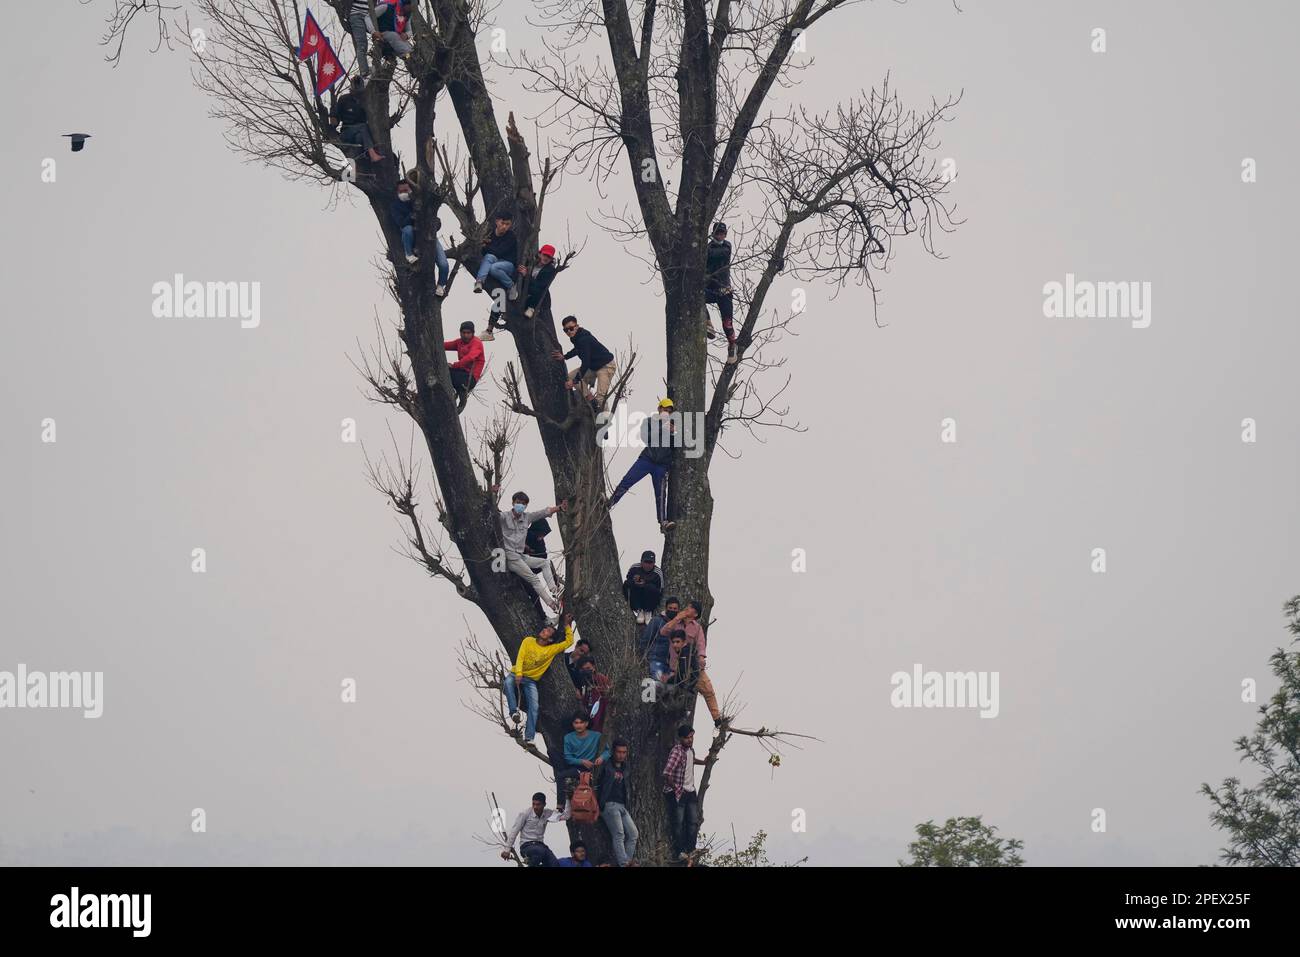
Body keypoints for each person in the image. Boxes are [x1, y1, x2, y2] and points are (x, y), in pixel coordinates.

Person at [608, 398, 677, 532]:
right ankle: (609, 503)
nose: (667, 413)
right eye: (665, 409)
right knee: (627, 480)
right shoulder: (649, 421)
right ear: (659, 409)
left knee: (660, 495)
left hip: (662, 465)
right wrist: (662, 428)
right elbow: (646, 438)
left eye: (669, 411)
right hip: (647, 459)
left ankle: (663, 522)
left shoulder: (672, 426)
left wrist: (673, 433)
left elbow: (676, 446)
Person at [504, 614, 575, 745]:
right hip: (516, 673)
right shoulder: (528, 641)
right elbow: (520, 657)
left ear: (550, 639)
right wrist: (518, 673)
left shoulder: (551, 649)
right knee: (507, 682)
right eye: (545, 628)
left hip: (531, 680)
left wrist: (566, 626)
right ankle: (514, 712)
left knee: (534, 706)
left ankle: (529, 737)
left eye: (548, 631)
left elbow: (569, 642)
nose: (544, 630)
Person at [496, 490, 565, 617]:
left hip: (520, 555)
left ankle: (555, 590)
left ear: (526, 505)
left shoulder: (526, 518)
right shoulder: (505, 517)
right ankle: (552, 605)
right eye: (518, 502)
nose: (520, 506)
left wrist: (559, 508)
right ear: (513, 503)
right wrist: (492, 494)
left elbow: (544, 512)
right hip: (510, 556)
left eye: (523, 504)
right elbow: (492, 514)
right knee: (534, 579)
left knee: (545, 563)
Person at [664, 600, 723, 726]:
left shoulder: (697, 627)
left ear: (695, 614)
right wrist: (676, 618)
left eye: (690, 607)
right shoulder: (676, 622)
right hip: (676, 666)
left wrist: (701, 657)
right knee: (673, 692)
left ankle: (717, 719)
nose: (687, 608)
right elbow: (664, 632)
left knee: (707, 689)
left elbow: (701, 644)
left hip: (692, 665)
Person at [552, 316, 616, 413]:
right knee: (570, 376)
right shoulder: (577, 337)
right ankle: (590, 399)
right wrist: (564, 357)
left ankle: (606, 419)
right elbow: (577, 349)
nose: (569, 332)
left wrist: (574, 381)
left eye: (571, 328)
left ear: (577, 326)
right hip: (593, 367)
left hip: (606, 366)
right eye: (566, 330)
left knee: (601, 397)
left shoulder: (583, 339)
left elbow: (585, 363)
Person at [663, 725, 705, 860]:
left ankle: (691, 850)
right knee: (678, 823)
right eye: (687, 738)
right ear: (681, 738)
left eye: (691, 737)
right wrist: (676, 788)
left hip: (690, 791)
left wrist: (704, 762)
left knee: (693, 822)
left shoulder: (690, 750)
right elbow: (667, 772)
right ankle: (680, 852)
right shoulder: (677, 751)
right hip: (679, 792)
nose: (690, 740)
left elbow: (691, 760)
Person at [501, 792, 570, 867]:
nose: (535, 807)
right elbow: (514, 831)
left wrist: (568, 799)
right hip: (526, 846)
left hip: (541, 845)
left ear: (544, 804)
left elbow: (566, 816)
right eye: (533, 804)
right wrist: (507, 849)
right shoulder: (525, 814)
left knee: (554, 864)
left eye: (538, 804)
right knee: (538, 852)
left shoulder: (548, 813)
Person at [597, 740, 638, 866]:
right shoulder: (606, 765)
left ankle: (627, 862)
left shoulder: (626, 768)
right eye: (619, 752)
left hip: (622, 805)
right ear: (613, 752)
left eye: (624, 752)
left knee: (633, 834)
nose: (621, 755)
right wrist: (600, 803)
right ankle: (624, 863)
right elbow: (597, 783)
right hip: (609, 804)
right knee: (619, 834)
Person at [556, 711, 609, 806]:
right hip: (575, 766)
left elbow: (608, 751)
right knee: (552, 753)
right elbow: (568, 758)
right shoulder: (568, 737)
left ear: (586, 724)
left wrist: (602, 757)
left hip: (588, 769)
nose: (578, 725)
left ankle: (560, 806)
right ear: (573, 724)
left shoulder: (596, 736)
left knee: (560, 776)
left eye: (581, 722)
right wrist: (582, 761)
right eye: (576, 723)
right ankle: (562, 804)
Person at [705, 221, 738, 365]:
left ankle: (732, 345)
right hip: (711, 288)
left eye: (722, 233)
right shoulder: (707, 247)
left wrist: (705, 252)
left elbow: (716, 254)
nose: (720, 235)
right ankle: (708, 323)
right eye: (717, 233)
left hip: (724, 290)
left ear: (725, 234)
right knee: (696, 297)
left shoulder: (726, 246)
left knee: (727, 323)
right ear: (713, 233)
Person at [329, 76, 382, 163]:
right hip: (347, 131)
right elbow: (335, 118)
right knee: (363, 127)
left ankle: (364, 158)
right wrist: (333, 118)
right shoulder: (344, 99)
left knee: (360, 136)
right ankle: (372, 154)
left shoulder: (366, 101)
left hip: (361, 133)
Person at [474, 211, 519, 299]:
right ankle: (479, 282)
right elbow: (485, 252)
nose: (504, 226)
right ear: (497, 222)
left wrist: (486, 246)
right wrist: (483, 245)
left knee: (493, 268)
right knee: (489, 257)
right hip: (494, 260)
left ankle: (511, 286)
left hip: (508, 264)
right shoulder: (489, 233)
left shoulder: (511, 236)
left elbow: (499, 252)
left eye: (507, 224)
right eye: (502, 223)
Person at [444, 321, 484, 414]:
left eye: (468, 333)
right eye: (463, 332)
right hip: (461, 372)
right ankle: (454, 393)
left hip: (470, 378)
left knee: (448, 372)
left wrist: (454, 365)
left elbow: (469, 358)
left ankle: (461, 394)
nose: (466, 335)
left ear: (473, 333)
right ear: (460, 332)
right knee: (444, 370)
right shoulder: (459, 342)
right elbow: (445, 345)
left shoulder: (476, 343)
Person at [641, 596, 679, 682]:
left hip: (672, 665)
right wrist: (646, 656)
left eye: (675, 609)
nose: (672, 610)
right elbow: (646, 639)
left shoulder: (679, 626)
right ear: (666, 608)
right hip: (656, 660)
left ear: (678, 610)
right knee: (657, 684)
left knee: (670, 688)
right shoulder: (656, 621)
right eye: (670, 608)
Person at [623, 550, 664, 625]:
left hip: (650, 599)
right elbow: (627, 582)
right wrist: (635, 583)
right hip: (636, 597)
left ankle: (648, 611)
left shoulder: (657, 572)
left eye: (650, 563)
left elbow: (660, 590)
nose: (648, 565)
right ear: (641, 561)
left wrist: (645, 585)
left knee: (651, 588)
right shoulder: (634, 568)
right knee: (629, 585)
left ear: (654, 563)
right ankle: (639, 610)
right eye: (646, 562)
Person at [574, 656, 612, 733]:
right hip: (591, 720)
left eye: (588, 668)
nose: (586, 671)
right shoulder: (584, 682)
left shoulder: (601, 679)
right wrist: (580, 699)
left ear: (593, 667)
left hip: (601, 719)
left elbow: (609, 696)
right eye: (583, 669)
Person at [523, 244, 558, 318]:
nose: (546, 258)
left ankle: (531, 308)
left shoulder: (550, 270)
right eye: (544, 255)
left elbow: (539, 285)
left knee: (539, 289)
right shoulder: (531, 263)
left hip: (537, 296)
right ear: (539, 254)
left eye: (549, 257)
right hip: (526, 290)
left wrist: (527, 276)